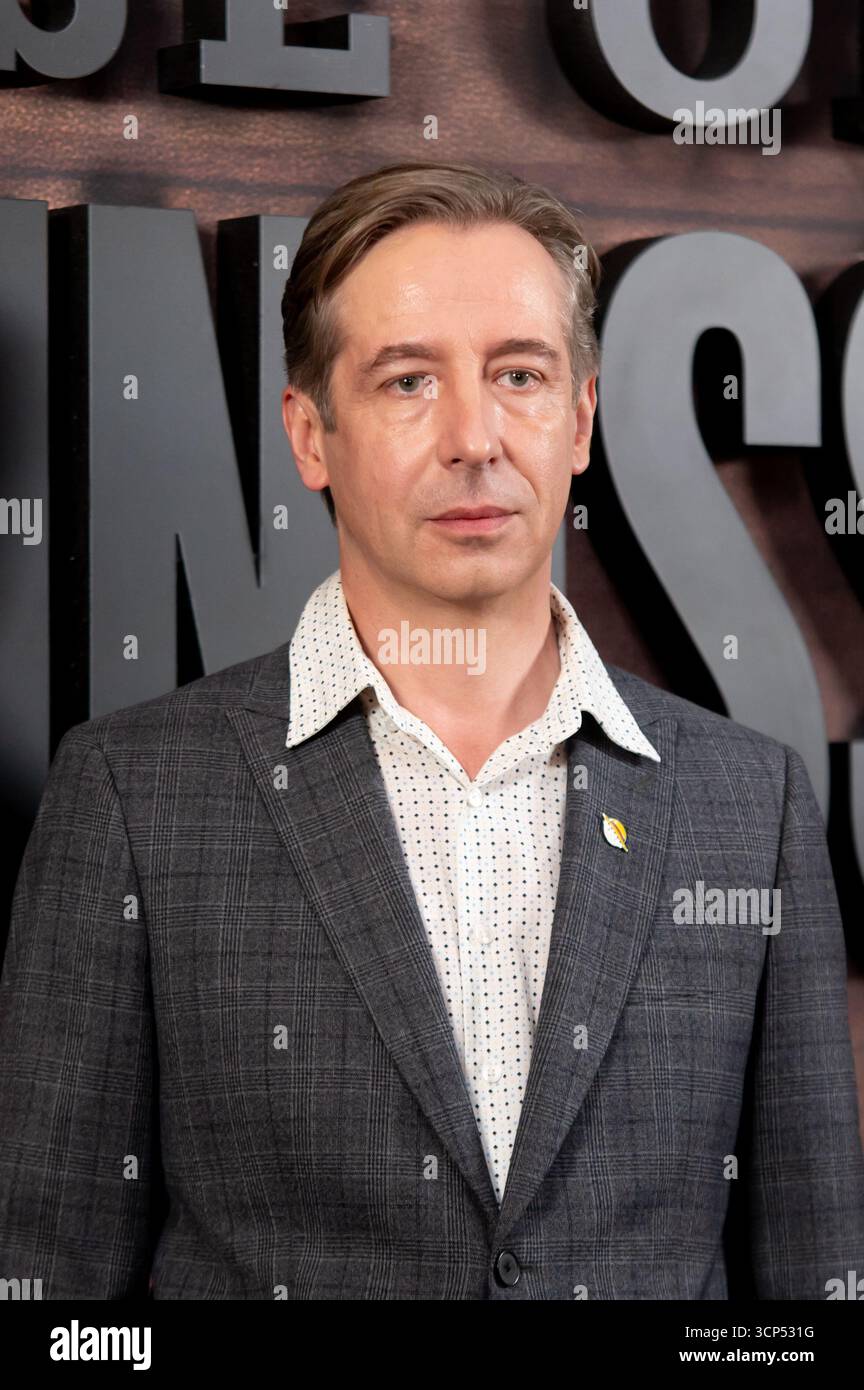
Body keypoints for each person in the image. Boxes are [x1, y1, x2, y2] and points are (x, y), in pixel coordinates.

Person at [1, 160, 862, 1300]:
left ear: (581, 420)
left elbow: (809, 1287)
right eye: (408, 381)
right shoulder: (131, 796)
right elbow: (50, 1292)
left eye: (519, 374)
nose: (475, 436)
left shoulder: (750, 806)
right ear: (310, 435)